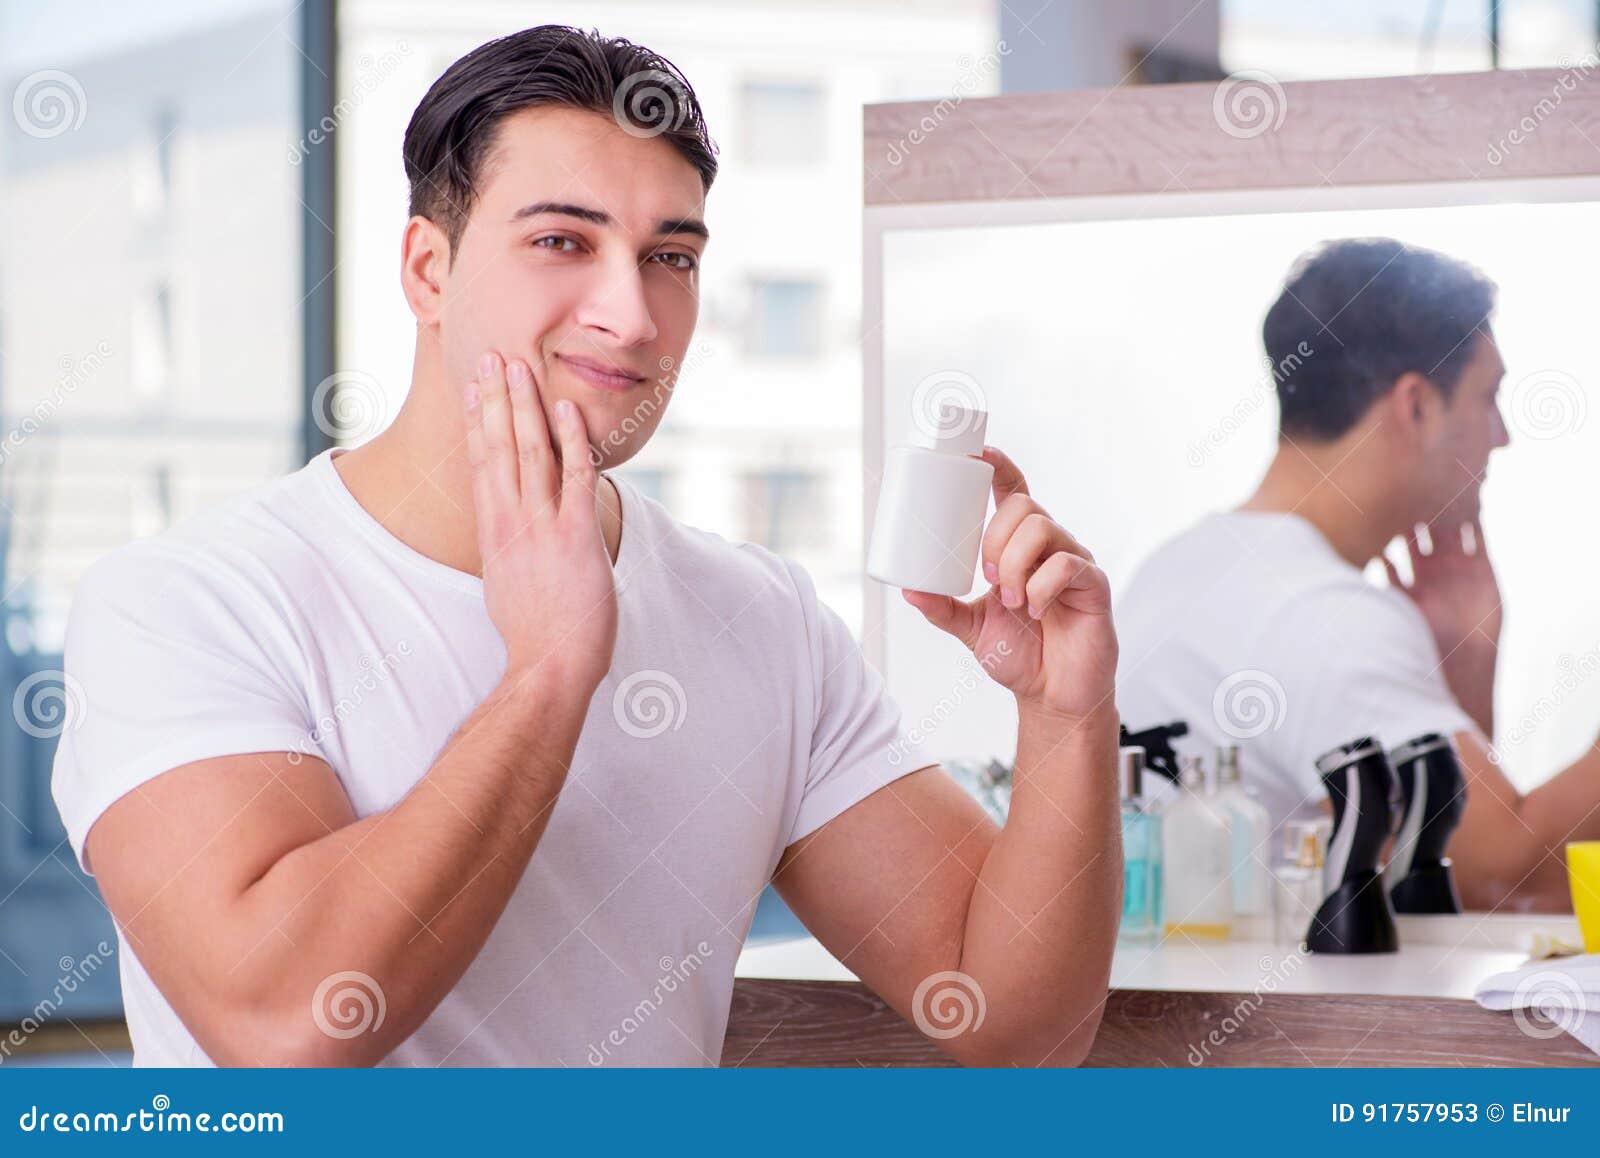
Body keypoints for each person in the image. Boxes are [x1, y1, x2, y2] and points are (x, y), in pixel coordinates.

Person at [50, 26, 1120, 1067]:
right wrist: (551, 668)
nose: (633, 313)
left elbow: (1009, 1020)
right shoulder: (185, 602)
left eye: (669, 258)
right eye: (563, 241)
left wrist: (1066, 718)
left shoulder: (763, 617)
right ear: (428, 269)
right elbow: (289, 1026)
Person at [1116, 237, 1600, 914]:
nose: (1502, 435)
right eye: (1488, 398)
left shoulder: (1180, 567)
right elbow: (1507, 878)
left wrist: (1464, 664)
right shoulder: (1325, 616)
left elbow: (1422, 867)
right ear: (1417, 408)